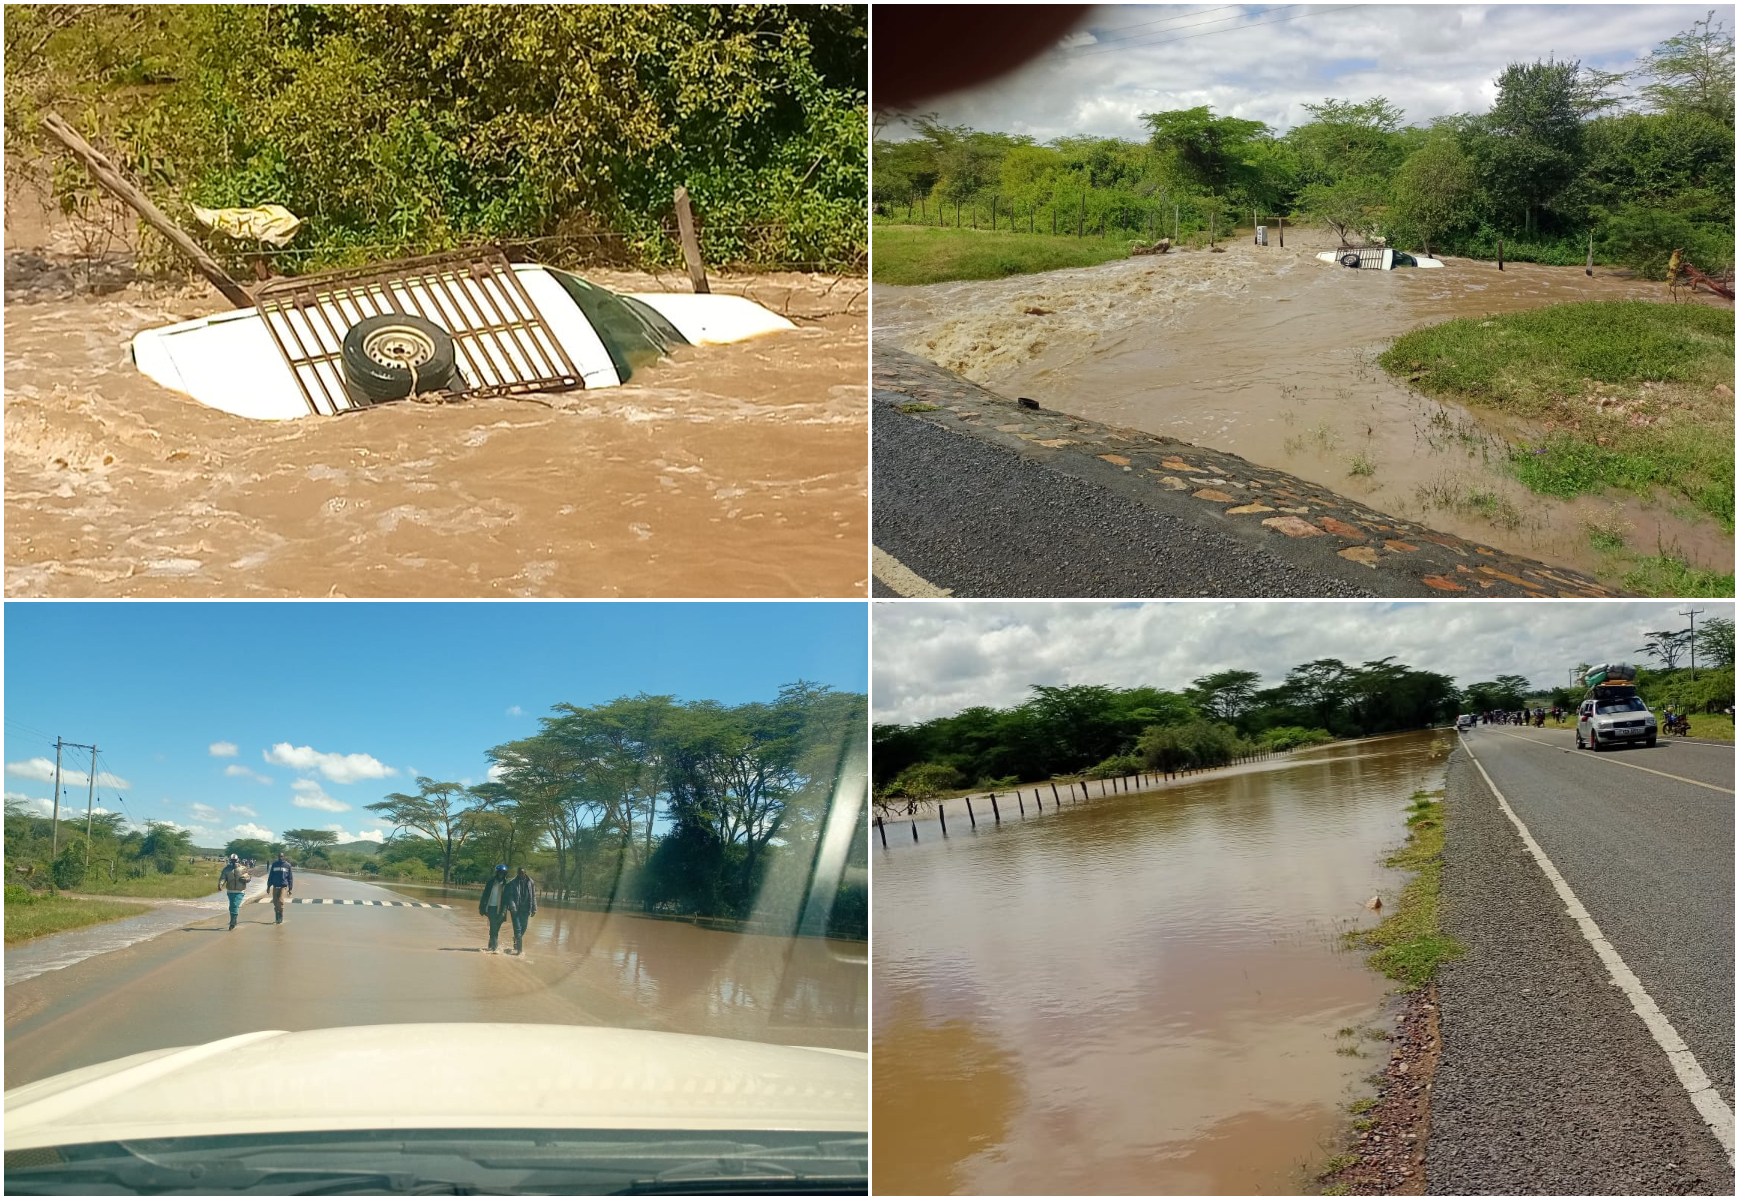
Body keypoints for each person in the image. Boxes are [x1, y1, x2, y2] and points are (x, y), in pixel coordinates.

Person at [504, 866, 538, 956]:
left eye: (522, 873)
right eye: (519, 873)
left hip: (526, 909)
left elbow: (533, 896)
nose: (520, 874)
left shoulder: (531, 882)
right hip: (515, 909)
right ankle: (519, 951)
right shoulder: (512, 883)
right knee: (518, 929)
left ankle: (516, 939)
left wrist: (534, 909)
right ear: (517, 873)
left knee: (524, 927)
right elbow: (510, 896)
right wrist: (512, 906)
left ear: (525, 873)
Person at [479, 865, 509, 952]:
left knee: (496, 928)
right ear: (497, 873)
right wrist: (481, 907)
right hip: (491, 908)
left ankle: (491, 945)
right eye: (499, 873)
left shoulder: (506, 885)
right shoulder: (490, 882)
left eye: (503, 873)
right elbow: (484, 895)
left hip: (500, 909)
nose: (501, 874)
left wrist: (504, 912)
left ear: (505, 874)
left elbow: (506, 900)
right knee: (493, 926)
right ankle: (494, 948)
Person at [220, 854, 250, 930]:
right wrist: (220, 884)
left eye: (235, 861)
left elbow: (249, 877)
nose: (233, 862)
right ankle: (234, 919)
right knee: (232, 906)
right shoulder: (226, 869)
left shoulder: (243, 868)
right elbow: (223, 878)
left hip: (240, 890)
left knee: (235, 905)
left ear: (237, 860)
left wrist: (246, 879)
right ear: (230, 860)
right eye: (232, 861)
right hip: (230, 890)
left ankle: (232, 922)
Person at [266, 850, 294, 924]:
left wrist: (290, 888)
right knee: (275, 902)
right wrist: (268, 887)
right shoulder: (274, 865)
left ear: (284, 857)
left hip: (283, 887)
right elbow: (271, 876)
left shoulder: (288, 865)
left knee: (280, 901)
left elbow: (290, 878)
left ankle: (280, 916)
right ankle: (277, 916)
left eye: (281, 856)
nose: (280, 857)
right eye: (279, 856)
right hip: (275, 886)